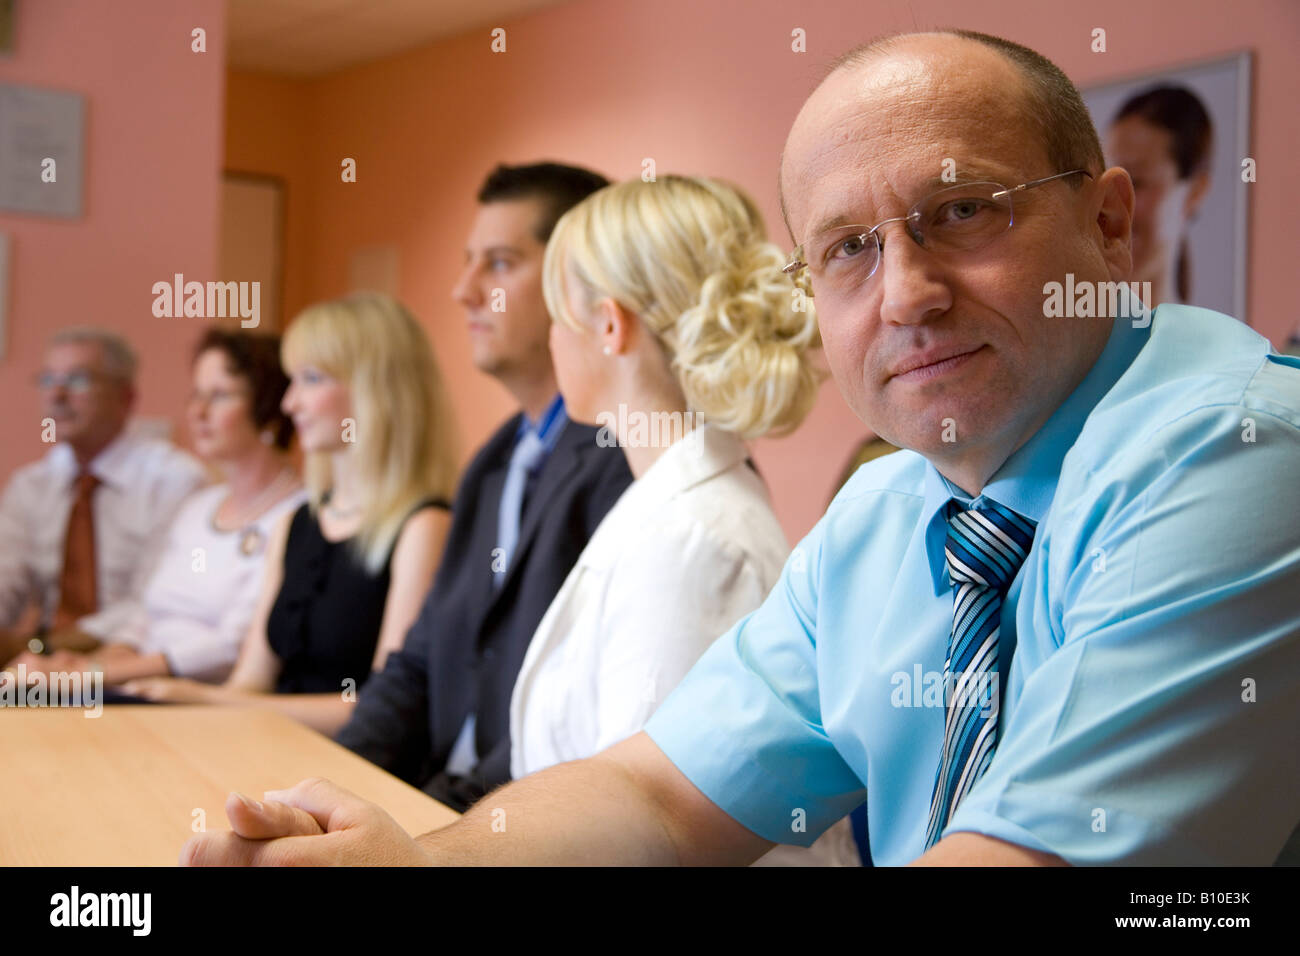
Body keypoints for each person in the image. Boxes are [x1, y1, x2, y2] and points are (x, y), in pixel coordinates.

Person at [181, 30, 1300, 867]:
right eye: (848, 249)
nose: (906, 292)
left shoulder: (1237, 451)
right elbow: (659, 793)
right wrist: (418, 862)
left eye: (964, 211)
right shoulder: (889, 514)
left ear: (1110, 224)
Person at [517, 174, 857, 865]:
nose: (552, 338)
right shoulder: (670, 510)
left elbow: (646, 835)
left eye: (559, 313)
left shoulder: (690, 543)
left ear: (610, 326)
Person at [328, 162, 634, 811]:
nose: (463, 291)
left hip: (515, 822)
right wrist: (332, 785)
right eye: (468, 262)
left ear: (574, 283)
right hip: (436, 800)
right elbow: (417, 662)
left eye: (497, 264)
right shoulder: (493, 461)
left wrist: (437, 826)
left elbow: (573, 717)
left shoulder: (627, 459)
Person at [123, 295, 456, 736]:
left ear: (375, 390)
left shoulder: (422, 527)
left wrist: (202, 698)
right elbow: (251, 681)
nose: (289, 404)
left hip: (351, 770)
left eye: (312, 380)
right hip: (272, 746)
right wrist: (194, 702)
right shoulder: (296, 524)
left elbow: (383, 707)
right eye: (292, 382)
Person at [8, 329, 305, 686]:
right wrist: (84, 665)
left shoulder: (296, 516)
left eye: (220, 396)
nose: (198, 411)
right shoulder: (200, 508)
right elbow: (147, 615)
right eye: (196, 395)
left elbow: (234, 644)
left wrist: (94, 673)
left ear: (270, 405)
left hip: (193, 693)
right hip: (135, 677)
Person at [0, 328, 206, 666]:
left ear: (125, 397)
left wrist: (42, 647)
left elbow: (155, 602)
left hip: (133, 663)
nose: (58, 394)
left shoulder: (173, 481)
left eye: (78, 380)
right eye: (48, 379)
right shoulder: (31, 486)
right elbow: (6, 583)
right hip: (40, 664)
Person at [1106, 85, 1213, 307]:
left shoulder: (1221, 339)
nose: (1108, 206)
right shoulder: (1071, 336)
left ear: (1194, 192)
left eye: (1135, 181)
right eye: (1104, 183)